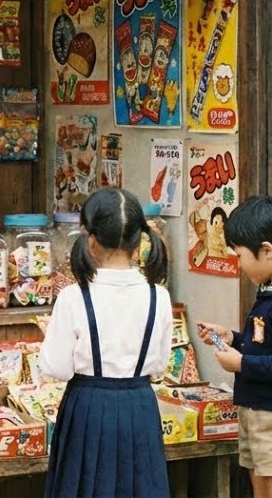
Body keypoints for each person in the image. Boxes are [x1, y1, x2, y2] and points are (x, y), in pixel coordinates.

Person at [40, 187, 173, 498]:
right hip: (139, 405)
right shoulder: (159, 296)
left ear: (92, 239)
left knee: (84, 487)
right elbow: (158, 365)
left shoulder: (74, 297)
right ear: (138, 239)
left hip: (87, 408)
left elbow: (55, 367)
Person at [196, 195, 272, 498]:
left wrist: (241, 364)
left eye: (239, 256)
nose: (238, 265)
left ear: (267, 251)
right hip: (261, 413)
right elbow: (267, 345)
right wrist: (233, 338)